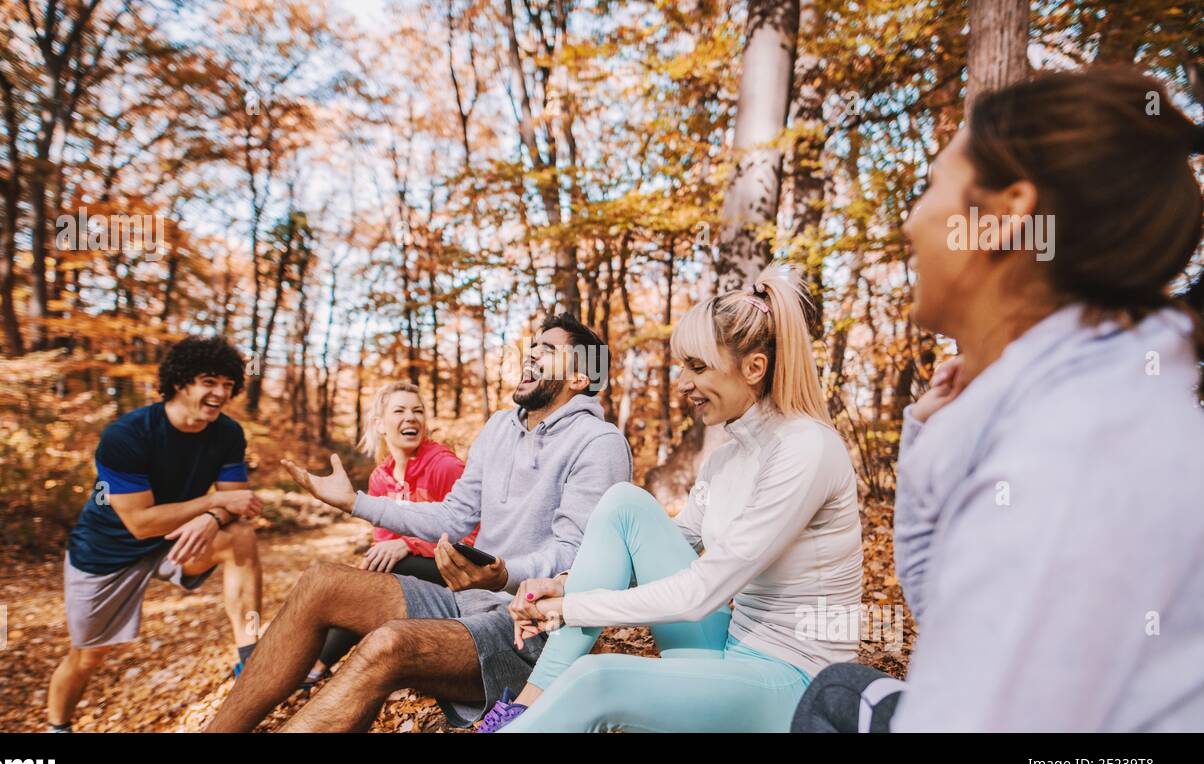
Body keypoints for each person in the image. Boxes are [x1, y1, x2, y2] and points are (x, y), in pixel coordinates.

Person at [794, 66, 1204, 732]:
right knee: (839, 689)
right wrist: (927, 438)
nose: (909, 222)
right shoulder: (1074, 389)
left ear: (1006, 215)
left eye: (930, 187)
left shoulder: (1074, 452)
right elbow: (943, 607)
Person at [204, 313, 632, 732]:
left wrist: (503, 574)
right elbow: (452, 515)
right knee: (322, 581)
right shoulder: (500, 426)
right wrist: (355, 502)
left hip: (530, 632)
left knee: (389, 643)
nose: (531, 356)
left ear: (578, 378)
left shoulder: (599, 443)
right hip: (464, 607)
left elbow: (578, 558)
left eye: (548, 351)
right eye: (532, 347)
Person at [481, 268, 863, 733]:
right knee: (625, 503)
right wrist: (565, 584)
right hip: (728, 651)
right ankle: (526, 709)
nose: (682, 384)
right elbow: (670, 541)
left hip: (794, 681)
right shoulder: (726, 457)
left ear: (754, 368)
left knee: (598, 678)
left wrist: (571, 609)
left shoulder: (806, 448)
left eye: (698, 367)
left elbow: (701, 591)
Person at [47, 336, 264, 732]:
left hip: (176, 542)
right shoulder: (127, 435)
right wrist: (211, 507)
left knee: (241, 537)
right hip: (105, 552)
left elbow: (236, 505)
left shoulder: (228, 434)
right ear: (180, 382)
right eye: (208, 382)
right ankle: (58, 726)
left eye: (228, 385)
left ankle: (251, 654)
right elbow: (141, 523)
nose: (220, 393)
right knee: (88, 657)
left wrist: (213, 518)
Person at [305, 380, 476, 686]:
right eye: (399, 410)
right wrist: (394, 549)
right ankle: (312, 659)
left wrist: (408, 544)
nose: (411, 417)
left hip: (462, 576)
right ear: (380, 424)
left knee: (388, 568)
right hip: (416, 576)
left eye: (418, 411)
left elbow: (473, 538)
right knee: (367, 574)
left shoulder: (445, 467)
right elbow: (383, 545)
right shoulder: (379, 478)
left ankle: (318, 663)